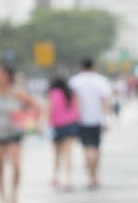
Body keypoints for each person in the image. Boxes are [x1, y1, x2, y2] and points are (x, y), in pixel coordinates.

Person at [0, 64, 39, 203]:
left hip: (14, 134)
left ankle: (13, 196)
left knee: (16, 166)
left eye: (1, 73)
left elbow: (35, 106)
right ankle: (3, 201)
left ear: (8, 75)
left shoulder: (16, 93)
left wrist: (30, 123)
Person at [69, 58, 111, 190]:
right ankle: (95, 175)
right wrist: (106, 117)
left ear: (81, 67)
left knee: (87, 148)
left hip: (81, 120)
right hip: (97, 120)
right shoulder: (101, 81)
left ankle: (90, 176)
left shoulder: (75, 81)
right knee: (96, 148)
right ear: (93, 66)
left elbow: (71, 101)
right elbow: (105, 100)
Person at [48, 77, 79, 191]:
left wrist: (47, 122)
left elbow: (51, 108)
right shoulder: (71, 93)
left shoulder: (53, 93)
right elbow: (77, 109)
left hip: (57, 126)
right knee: (68, 154)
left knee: (57, 154)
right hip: (70, 125)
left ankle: (55, 177)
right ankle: (69, 179)